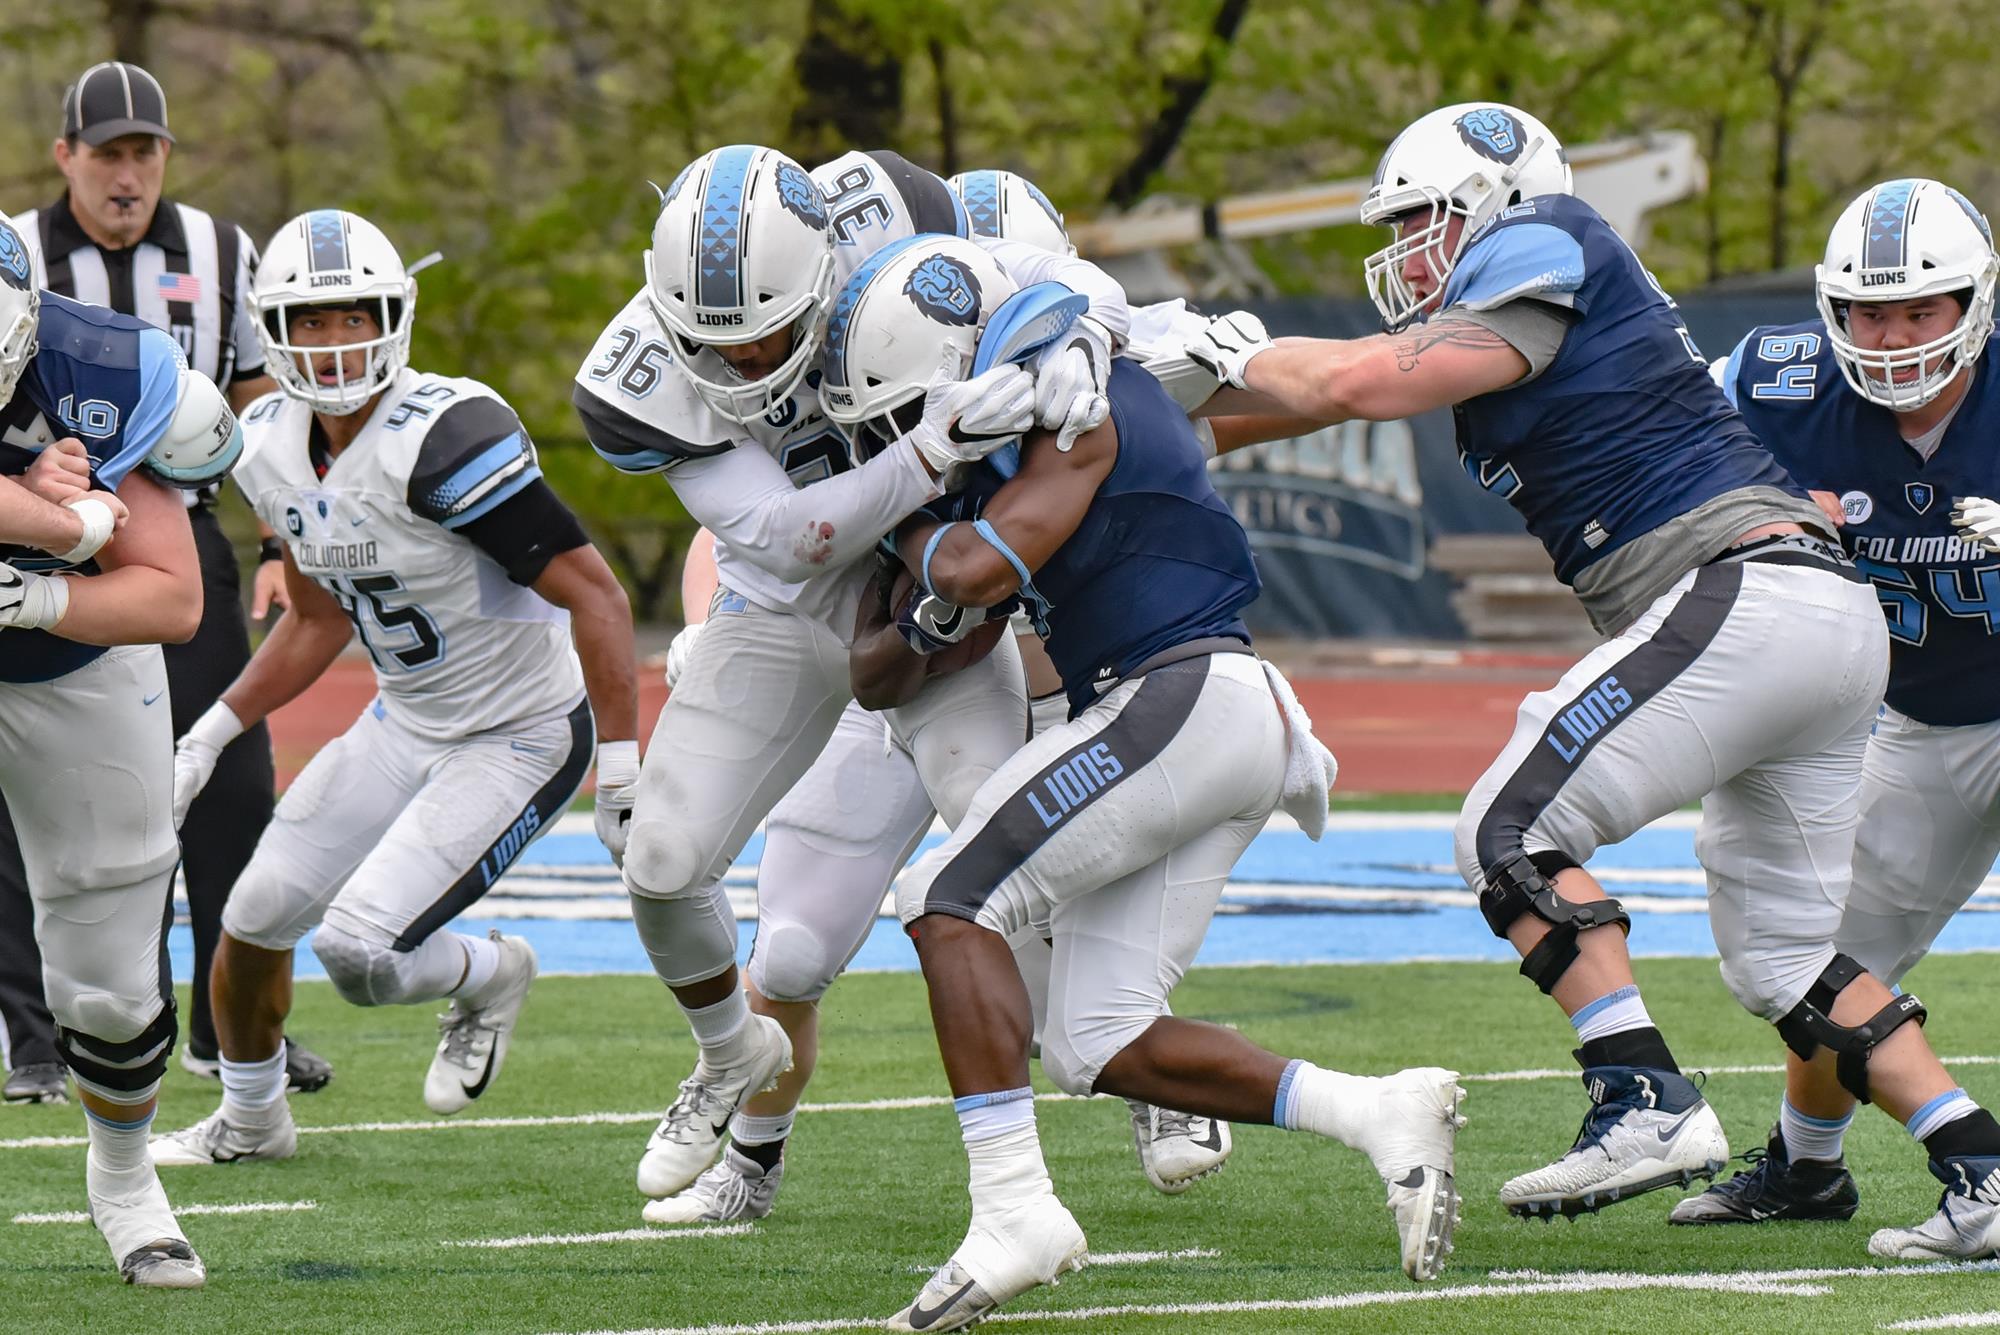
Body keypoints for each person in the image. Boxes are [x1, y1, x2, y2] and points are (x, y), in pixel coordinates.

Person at [1185, 101, 2000, 1251]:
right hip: (1839, 644)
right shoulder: (1678, 346)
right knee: (1787, 959)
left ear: (1490, 203)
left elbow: (1352, 384)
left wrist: (1208, 341)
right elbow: (1283, 405)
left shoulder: (1548, 234)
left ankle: (1640, 1094)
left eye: (1423, 217)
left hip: (1745, 592)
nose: (1409, 247)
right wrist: (1135, 397)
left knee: (1502, 832)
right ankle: (1975, 1167)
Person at [811, 235, 1463, 1329]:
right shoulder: (1015, 420)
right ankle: (1377, 1112)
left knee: (943, 897)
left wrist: (910, 522)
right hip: (1194, 712)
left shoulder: (1089, 391)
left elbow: (970, 572)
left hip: (1180, 692)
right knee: (1093, 1039)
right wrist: (921, 548)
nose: (896, 439)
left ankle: (1013, 1209)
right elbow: (878, 671)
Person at [572, 143, 1131, 1207]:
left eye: (765, 336)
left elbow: (1067, 280)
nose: (739, 368)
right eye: (710, 343)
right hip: (783, 610)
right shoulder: (635, 378)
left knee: (996, 840)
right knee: (661, 863)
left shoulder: (893, 215)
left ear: (826, 269)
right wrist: (924, 453)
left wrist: (1081, 336)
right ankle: (731, 1052)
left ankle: (1136, 1052)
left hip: (932, 606)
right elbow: (786, 540)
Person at [149, 209, 640, 1166]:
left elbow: (600, 596)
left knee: (362, 954)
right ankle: (253, 1120)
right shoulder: (263, 443)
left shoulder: (449, 434)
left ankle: (493, 973)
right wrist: (209, 733)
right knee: (252, 922)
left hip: (519, 730)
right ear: (272, 333)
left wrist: (621, 765)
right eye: (311, 322)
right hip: (404, 717)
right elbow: (322, 617)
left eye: (353, 316)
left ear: (396, 313)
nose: (336, 345)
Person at [1673, 178, 2000, 1258]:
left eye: (1920, 310)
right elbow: (1657, 466)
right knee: (1830, 963)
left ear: (1974, 302)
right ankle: (1805, 1168)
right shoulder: (1771, 387)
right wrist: (1749, 513)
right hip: (1921, 724)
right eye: (1869, 312)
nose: (1893, 337)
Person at [0, 59, 326, 1106]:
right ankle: (40, 1033)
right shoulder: (20, 254)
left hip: (169, 526)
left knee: (228, 782)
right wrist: (62, 520)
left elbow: (258, 404)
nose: (128, 173)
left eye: (145, 151)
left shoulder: (221, 252)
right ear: (66, 158)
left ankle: (228, 1026)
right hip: (43, 526)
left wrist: (282, 542)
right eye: (108, 153)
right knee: (28, 808)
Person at [0, 206, 241, 1285]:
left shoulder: (99, 365)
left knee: (106, 986)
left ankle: (125, 1179)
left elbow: (175, 597)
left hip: (71, 668)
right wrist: (58, 524)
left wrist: (43, 594)